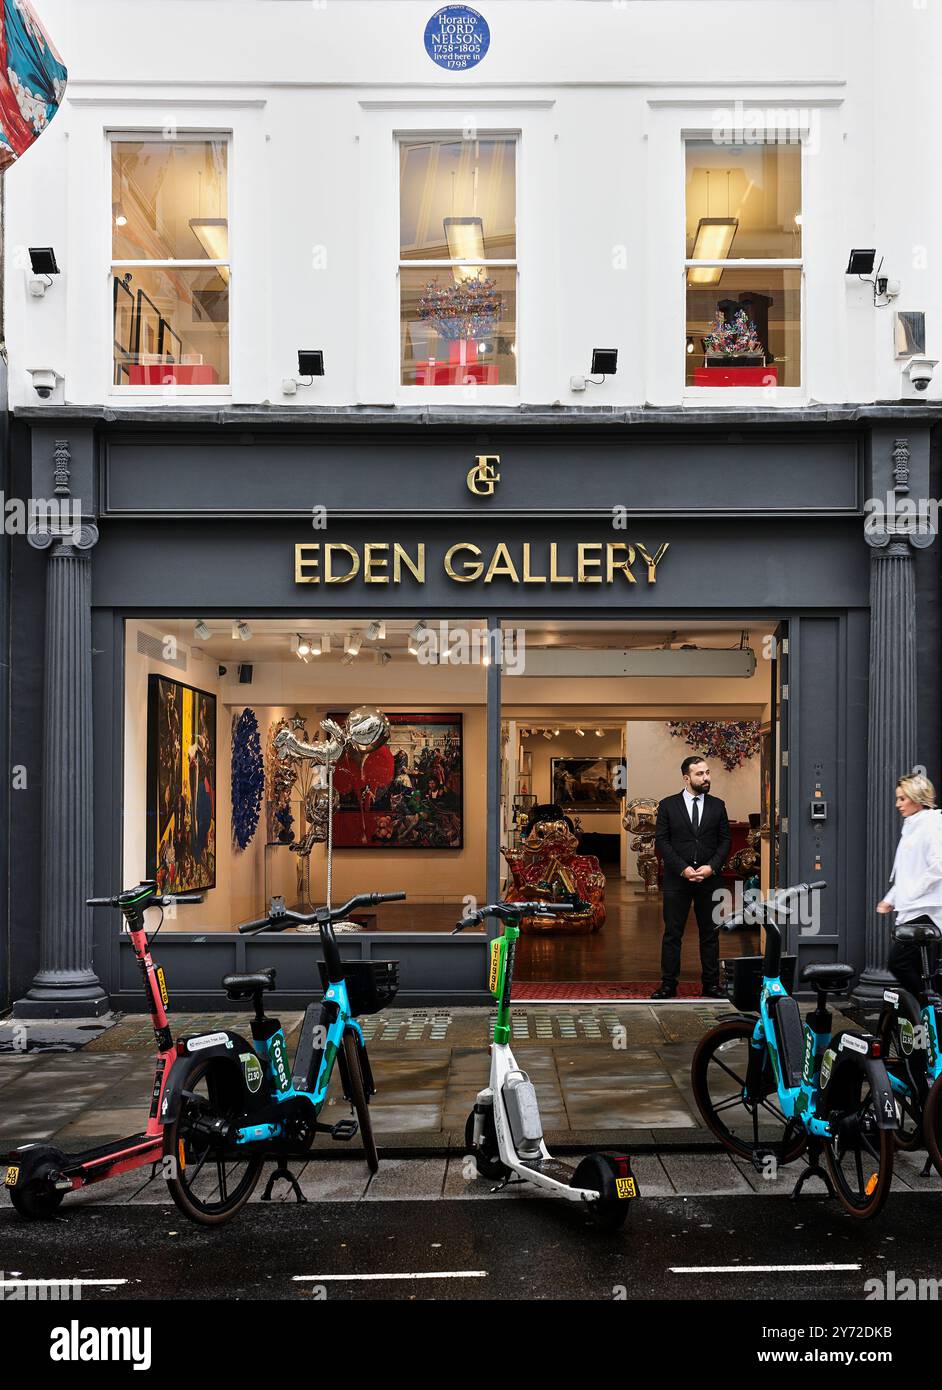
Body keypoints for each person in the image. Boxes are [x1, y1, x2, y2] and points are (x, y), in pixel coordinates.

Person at [652, 755, 731, 1000]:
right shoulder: (668, 805)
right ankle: (668, 985)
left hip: (710, 879)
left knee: (710, 934)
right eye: (700, 774)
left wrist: (712, 867)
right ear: (686, 778)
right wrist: (682, 868)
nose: (706, 778)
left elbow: (725, 840)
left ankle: (711, 985)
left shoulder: (718, 805)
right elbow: (662, 841)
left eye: (707, 773)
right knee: (673, 934)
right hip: (678, 880)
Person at [876, 772, 942, 997]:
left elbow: (938, 865)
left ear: (917, 797)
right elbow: (907, 871)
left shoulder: (931, 824)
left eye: (902, 798)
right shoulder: (913, 825)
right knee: (916, 970)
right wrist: (891, 899)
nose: (898, 804)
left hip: (927, 911)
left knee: (899, 963)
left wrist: (911, 894)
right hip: (915, 909)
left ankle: (929, 1007)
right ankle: (925, 1018)